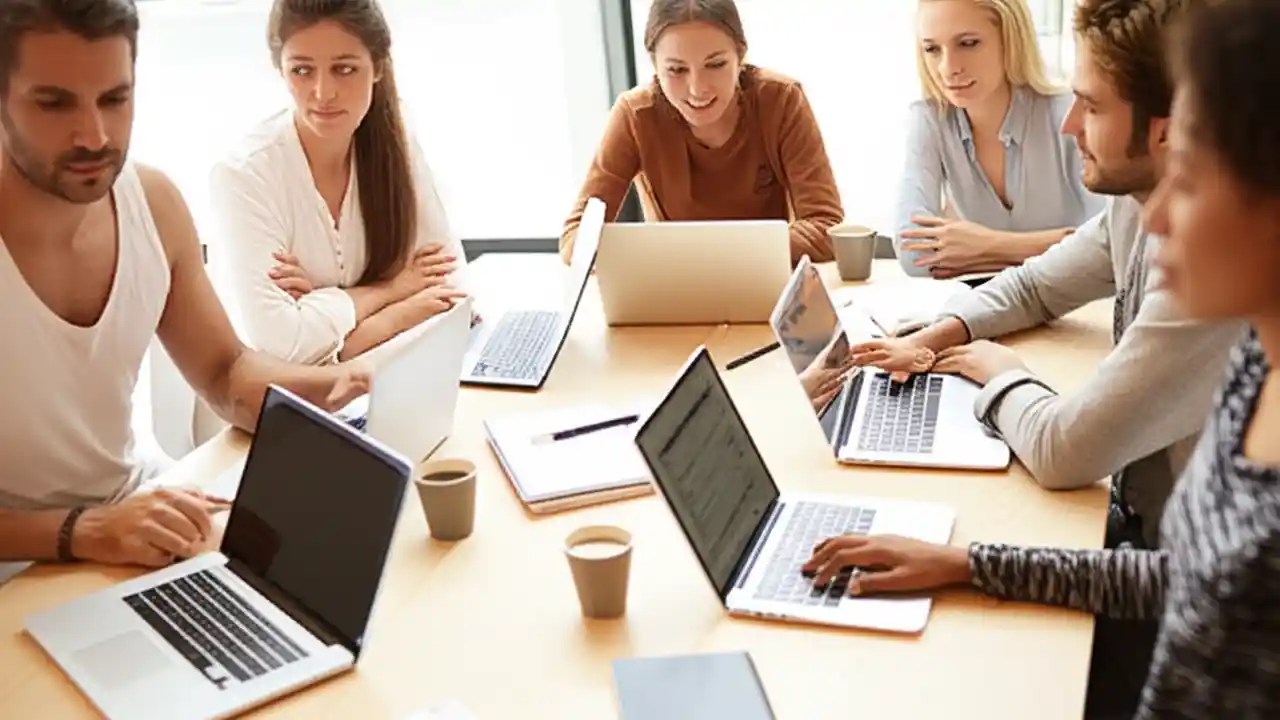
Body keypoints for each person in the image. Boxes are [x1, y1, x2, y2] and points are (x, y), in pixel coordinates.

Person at [806, 2, 1280, 716]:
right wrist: (968, 564)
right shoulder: (1256, 373)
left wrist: (994, 368)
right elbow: (1191, 578)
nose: (1154, 219)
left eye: (1191, 175)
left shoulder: (1223, 328)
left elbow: (1068, 454)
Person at [853, 0, 1242, 553]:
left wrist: (1000, 372)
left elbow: (1064, 451)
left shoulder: (1209, 268)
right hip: (1137, 535)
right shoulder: (1133, 206)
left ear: (1166, 129)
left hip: (1170, 569)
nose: (1069, 125)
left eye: (1090, 106)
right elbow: (1035, 285)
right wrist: (936, 334)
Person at [0, 0, 368, 570]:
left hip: (133, 518)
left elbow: (225, 373)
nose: (95, 135)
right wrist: (85, 531)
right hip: (26, 563)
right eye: (54, 103)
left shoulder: (153, 204)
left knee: (337, 563)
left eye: (115, 99)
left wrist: (343, 388)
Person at [210, 0, 467, 365]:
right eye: (302, 70)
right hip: (278, 410)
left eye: (344, 69)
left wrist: (327, 318)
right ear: (280, 70)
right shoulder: (244, 175)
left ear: (377, 66)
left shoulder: (398, 148)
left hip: (386, 386)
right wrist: (392, 295)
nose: (323, 92)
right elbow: (282, 346)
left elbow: (451, 290)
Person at [559, 0, 843, 266]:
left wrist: (706, 252)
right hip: (674, 292)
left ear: (740, 55)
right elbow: (575, 239)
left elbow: (827, 226)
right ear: (655, 65)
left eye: (716, 64)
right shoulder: (635, 115)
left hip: (767, 290)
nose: (697, 89)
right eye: (676, 70)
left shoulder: (781, 100)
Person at [894, 0, 1104, 278]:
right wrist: (1053, 246)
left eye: (968, 43)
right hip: (993, 308)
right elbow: (913, 255)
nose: (949, 68)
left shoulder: (1068, 115)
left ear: (1011, 40)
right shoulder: (931, 121)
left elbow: (1107, 243)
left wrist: (985, 245)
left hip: (1082, 311)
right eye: (932, 49)